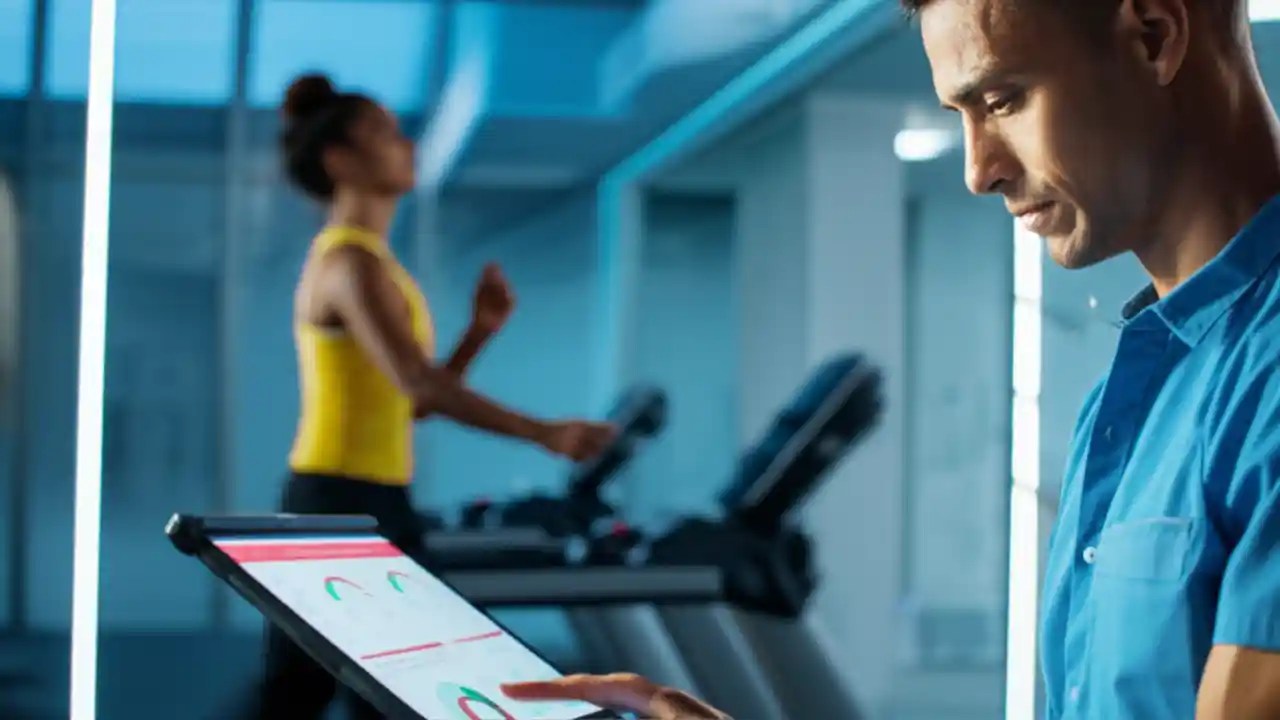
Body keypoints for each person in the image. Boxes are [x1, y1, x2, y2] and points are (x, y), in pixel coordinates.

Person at [501, 0, 1280, 718]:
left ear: (1155, 34)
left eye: (1002, 99)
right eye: (961, 115)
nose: (980, 170)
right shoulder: (1138, 387)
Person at [239, 73, 617, 720]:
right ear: (340, 161)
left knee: (385, 692)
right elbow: (421, 386)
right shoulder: (348, 264)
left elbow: (406, 401)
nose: (406, 145)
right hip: (334, 502)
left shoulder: (375, 265)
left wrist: (479, 332)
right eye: (385, 134)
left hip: (377, 496)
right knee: (305, 695)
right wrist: (546, 434)